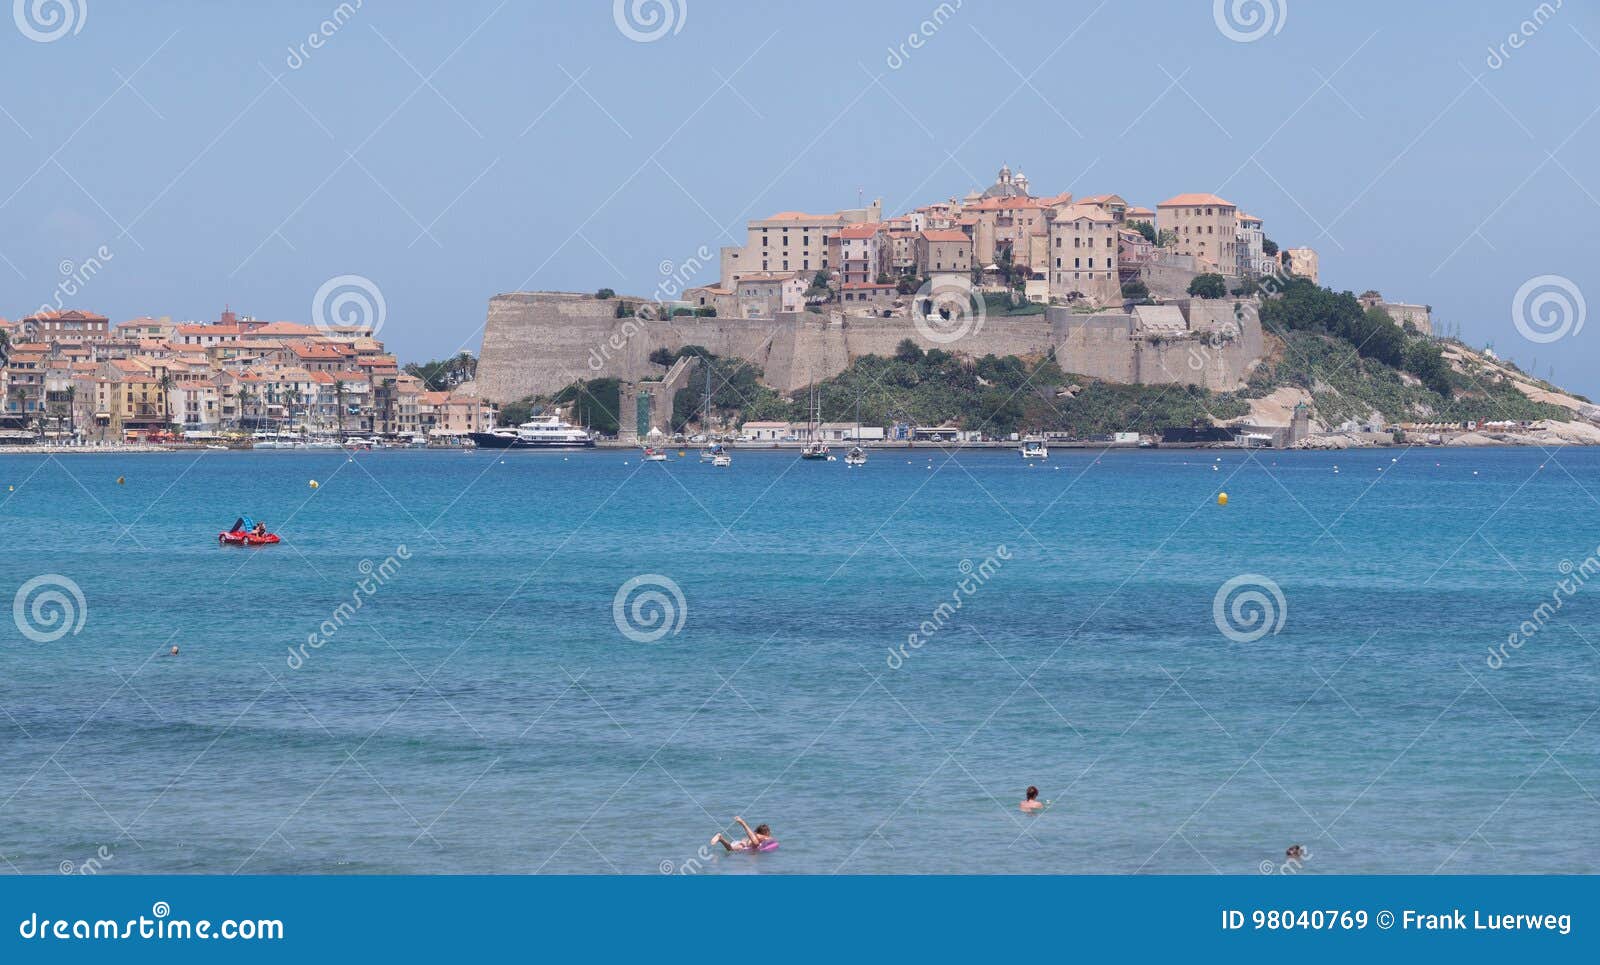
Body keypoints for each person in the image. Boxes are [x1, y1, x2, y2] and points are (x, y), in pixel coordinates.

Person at [710, 816, 774, 852]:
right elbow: (755, 842)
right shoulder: (762, 837)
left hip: (742, 844)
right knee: (756, 843)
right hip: (745, 844)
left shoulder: (757, 836)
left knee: (730, 849)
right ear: (766, 832)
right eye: (769, 831)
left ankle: (720, 838)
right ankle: (742, 823)